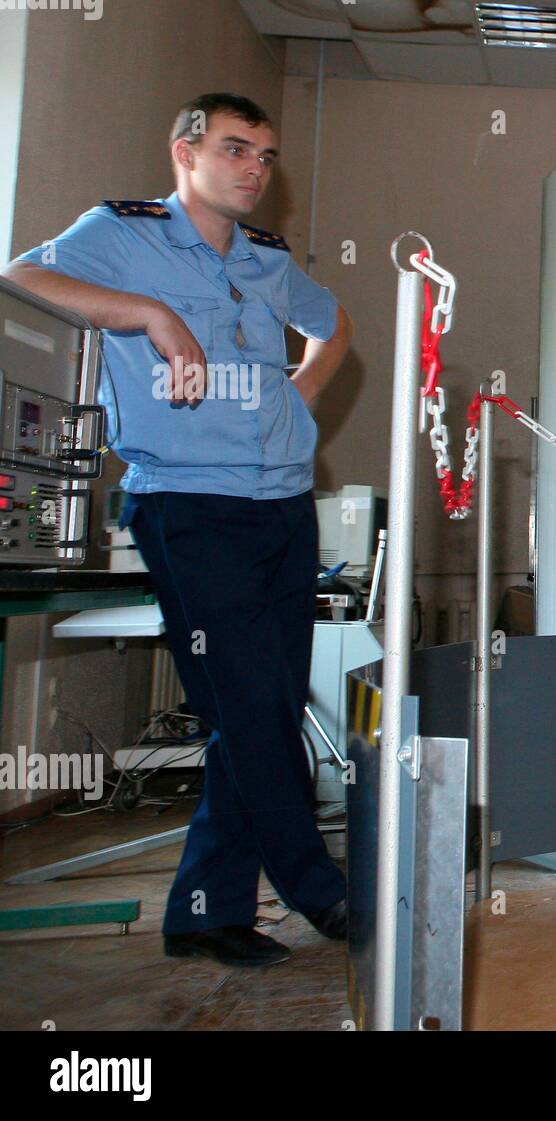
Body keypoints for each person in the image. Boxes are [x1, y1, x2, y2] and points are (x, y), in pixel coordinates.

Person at [3, 92, 354, 967]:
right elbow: (21, 274)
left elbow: (334, 320)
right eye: (236, 150)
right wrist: (149, 314)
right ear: (184, 153)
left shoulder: (269, 258)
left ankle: (205, 910)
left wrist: (302, 389)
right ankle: (327, 894)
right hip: (189, 505)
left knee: (257, 711)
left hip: (281, 504)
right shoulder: (123, 233)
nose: (253, 170)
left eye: (266, 157)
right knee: (256, 711)